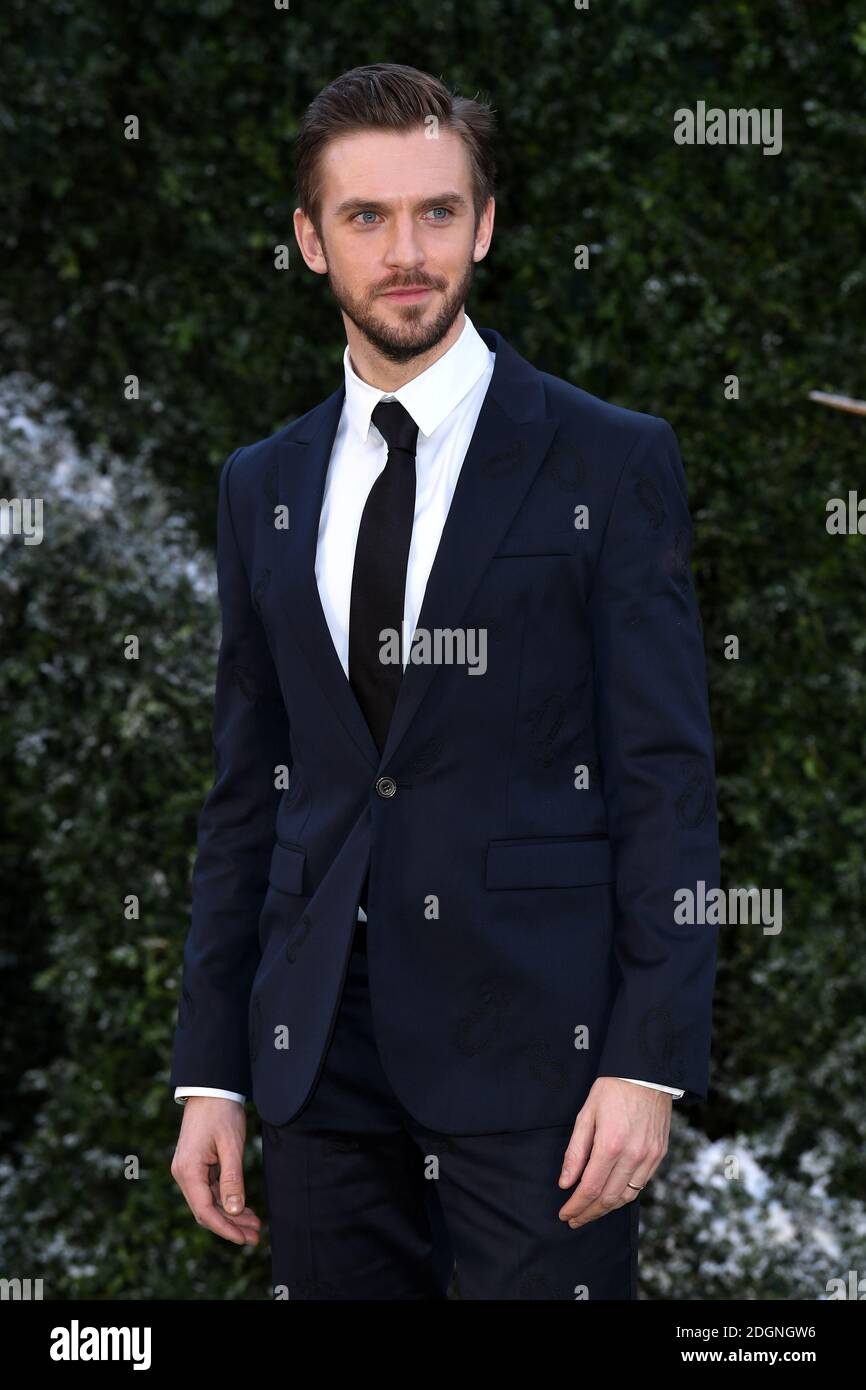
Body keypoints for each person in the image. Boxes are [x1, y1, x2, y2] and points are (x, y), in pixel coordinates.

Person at [169, 62, 720, 1300]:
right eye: (365, 216)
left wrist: (646, 1058)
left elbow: (663, 781)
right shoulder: (260, 484)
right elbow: (247, 793)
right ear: (311, 241)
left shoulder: (610, 458)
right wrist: (213, 1071)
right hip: (319, 1056)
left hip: (540, 1056)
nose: (405, 250)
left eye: (435, 212)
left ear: (482, 224)